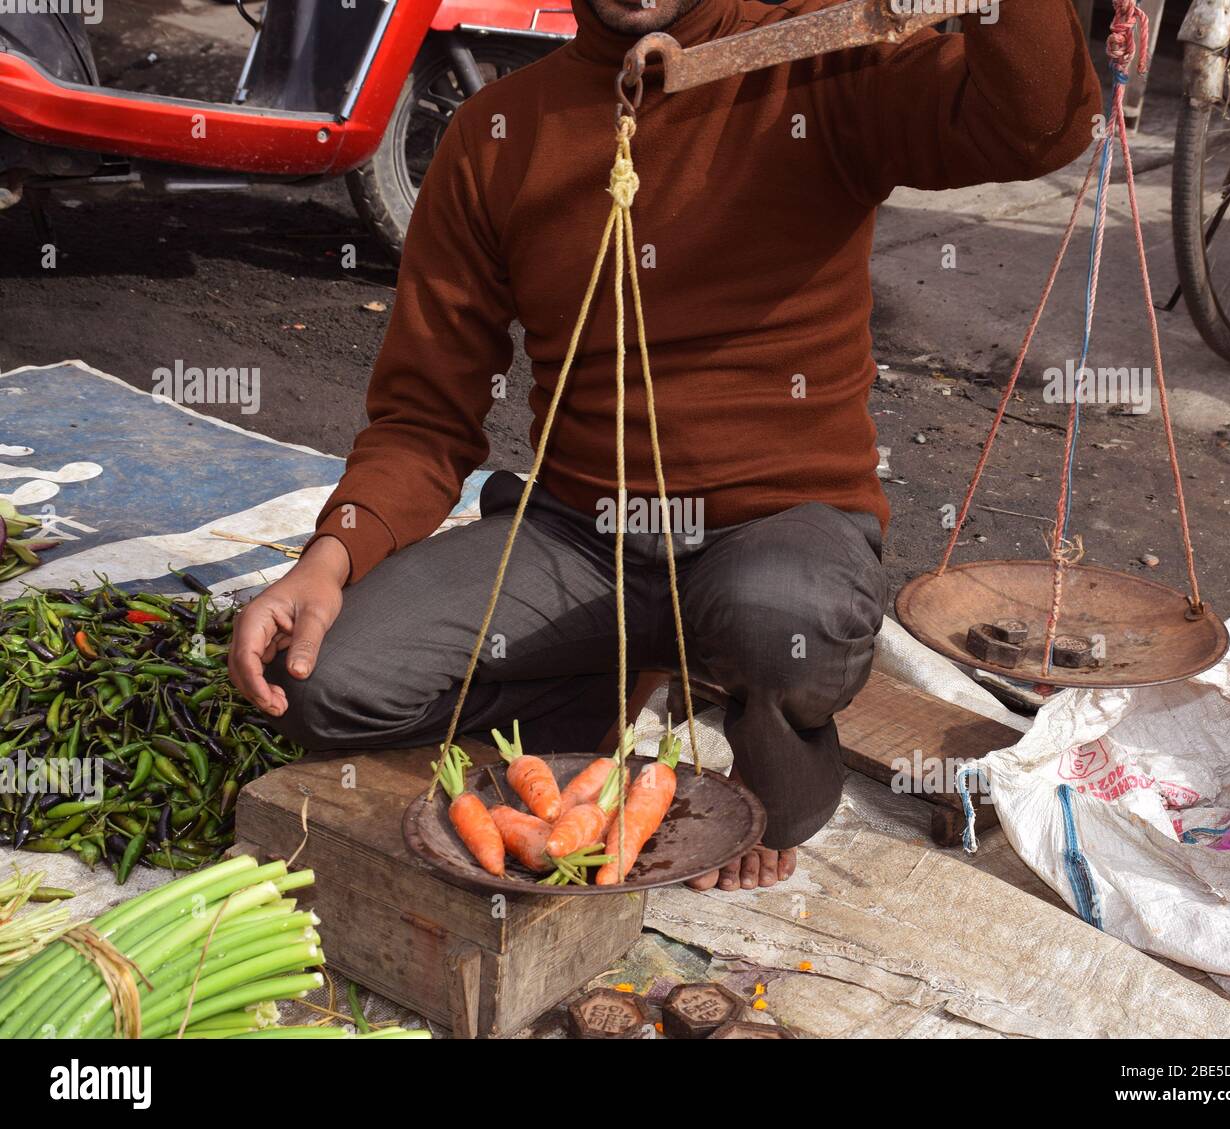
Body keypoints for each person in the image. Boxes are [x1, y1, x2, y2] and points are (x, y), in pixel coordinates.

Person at [229, 0, 1100, 891]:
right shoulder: (499, 131)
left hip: (775, 529)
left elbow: (1037, 125)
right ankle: (614, 686)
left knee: (776, 621)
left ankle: (773, 763)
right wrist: (330, 557)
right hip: (581, 536)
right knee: (319, 680)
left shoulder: (822, 63)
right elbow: (424, 412)